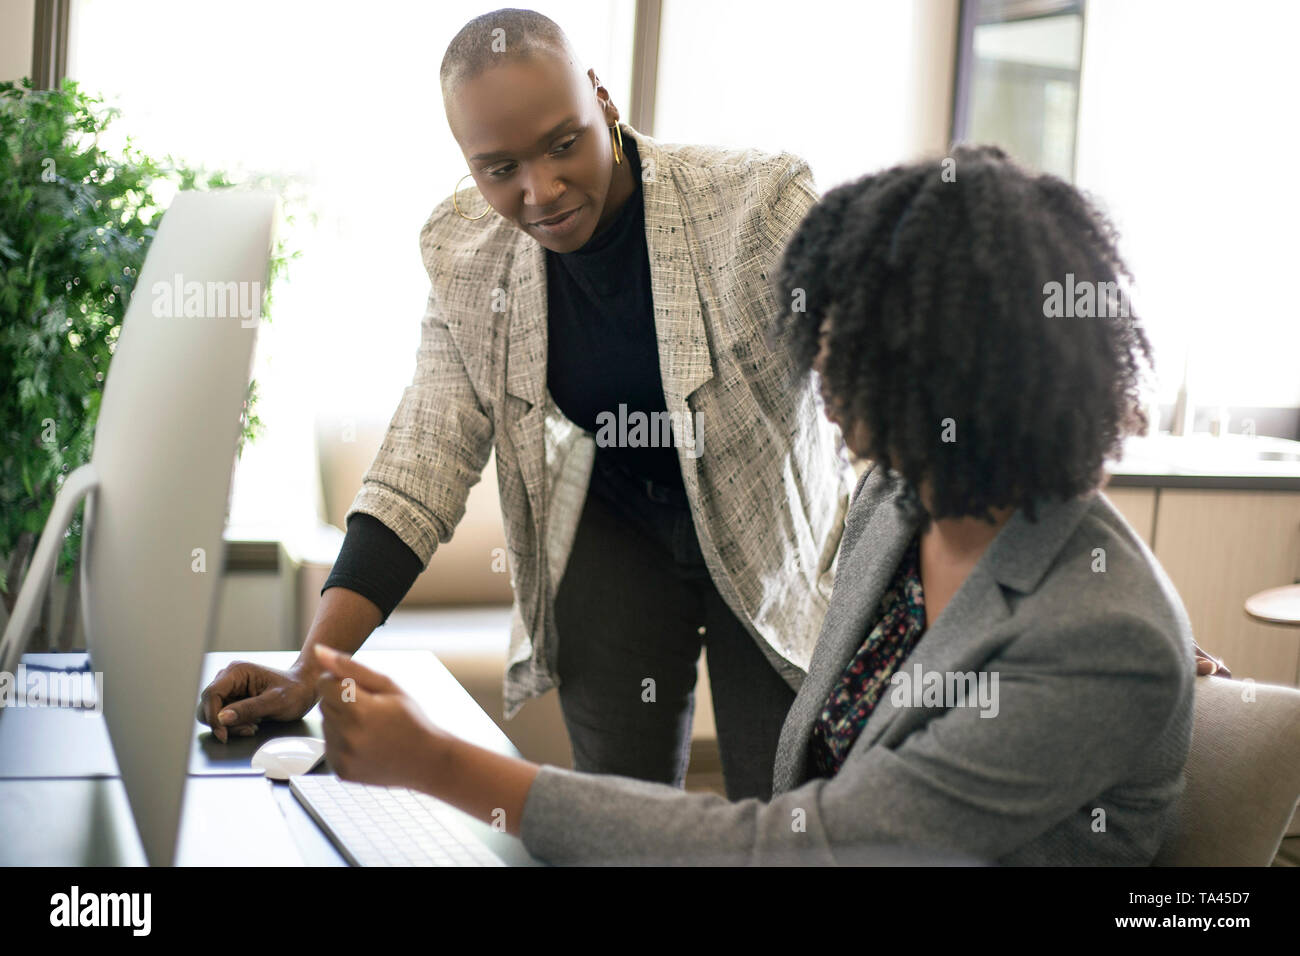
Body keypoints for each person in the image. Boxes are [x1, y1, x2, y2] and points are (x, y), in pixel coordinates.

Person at [310, 144, 1203, 865]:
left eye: (851, 356)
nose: (823, 384)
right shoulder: (900, 505)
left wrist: (440, 766)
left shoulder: (1099, 635)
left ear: (959, 378)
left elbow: (809, 846)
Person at [195, 8, 854, 801]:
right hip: (616, 524)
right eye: (499, 167)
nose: (541, 191)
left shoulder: (756, 202)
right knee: (616, 810)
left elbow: (870, 376)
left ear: (604, 103)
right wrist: (310, 670)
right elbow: (423, 458)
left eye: (563, 142)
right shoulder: (464, 250)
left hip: (769, 533)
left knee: (786, 802)